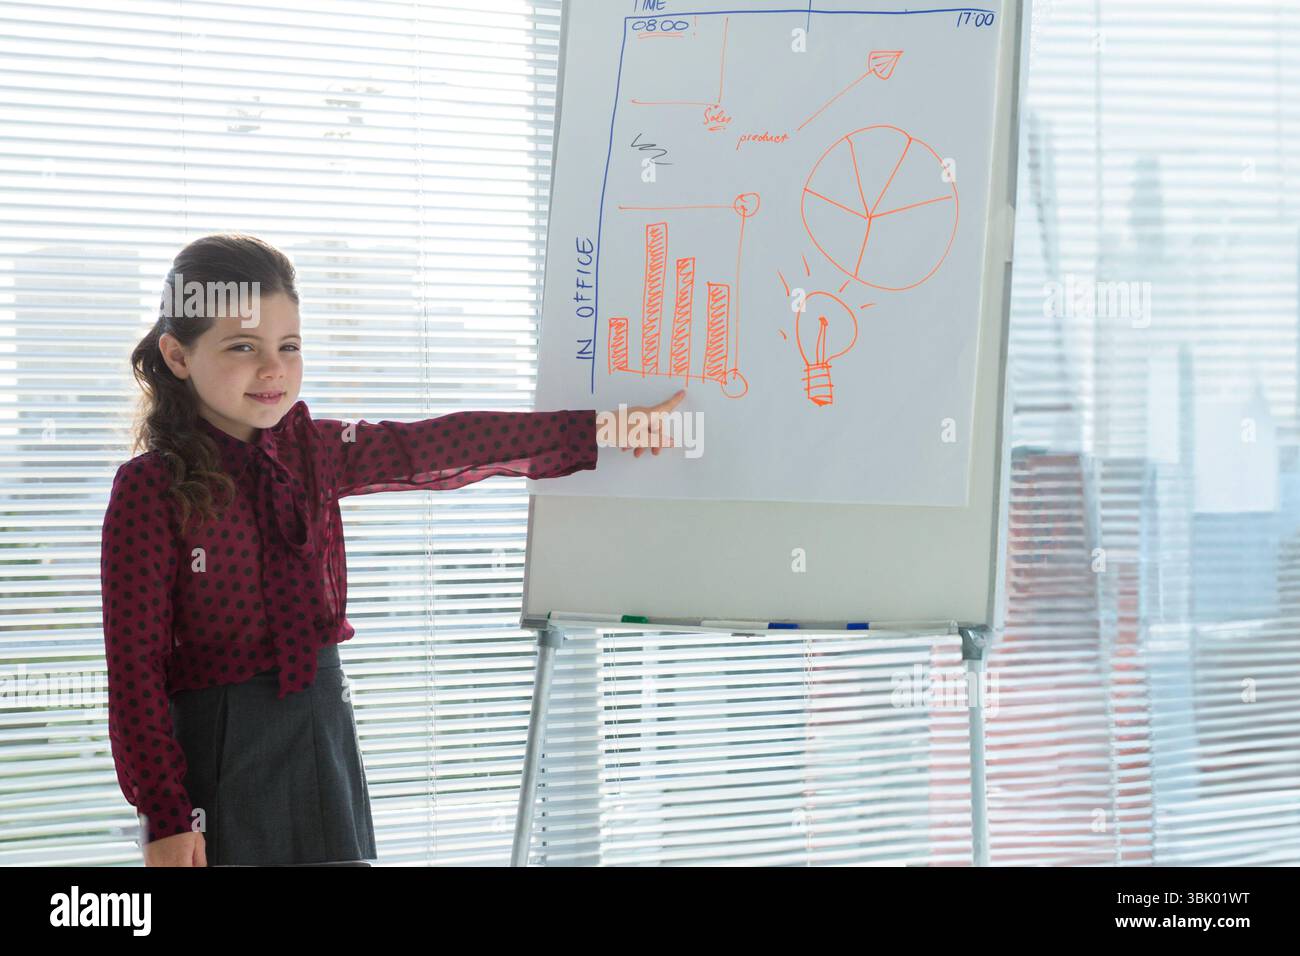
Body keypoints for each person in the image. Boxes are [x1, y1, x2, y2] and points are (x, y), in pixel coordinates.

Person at [101, 233, 685, 866]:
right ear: (177, 355)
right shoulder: (148, 489)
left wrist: (600, 428)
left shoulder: (315, 451)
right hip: (222, 752)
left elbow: (442, 443)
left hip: (323, 729)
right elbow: (135, 671)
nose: (273, 370)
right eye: (243, 347)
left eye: (288, 347)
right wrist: (165, 815)